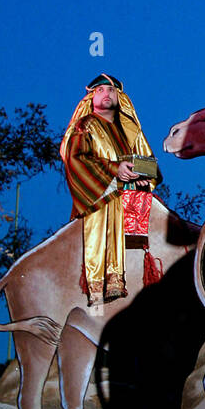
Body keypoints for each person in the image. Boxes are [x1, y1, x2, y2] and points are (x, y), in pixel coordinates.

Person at [59, 74, 162, 306]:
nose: (106, 94)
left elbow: (150, 164)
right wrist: (115, 169)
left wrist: (141, 175)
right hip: (100, 196)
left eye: (111, 90)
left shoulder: (130, 129)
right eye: (100, 90)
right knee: (98, 224)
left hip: (129, 201)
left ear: (120, 97)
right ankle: (96, 285)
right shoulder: (84, 126)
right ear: (91, 97)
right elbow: (75, 159)